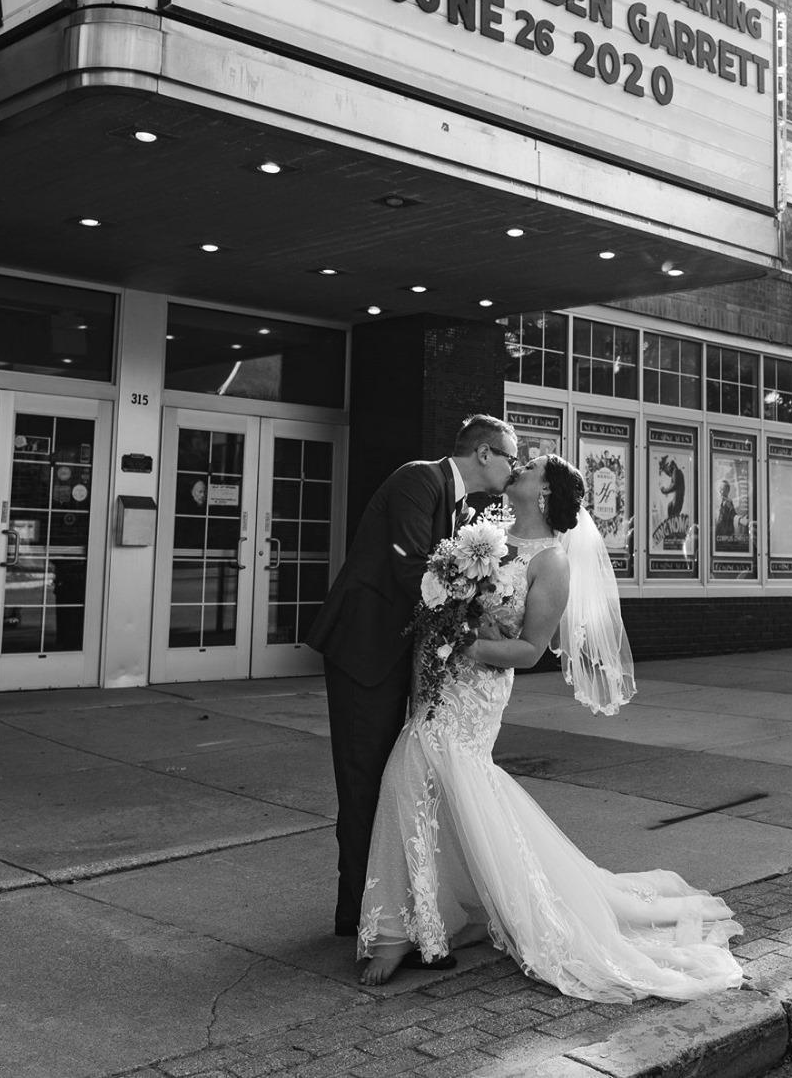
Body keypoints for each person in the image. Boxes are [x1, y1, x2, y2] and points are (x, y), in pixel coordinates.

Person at [355, 454, 743, 1000]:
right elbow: (447, 596)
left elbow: (530, 649)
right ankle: (442, 916)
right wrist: (441, 628)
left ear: (544, 493)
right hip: (440, 677)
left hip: (479, 685)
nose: (523, 466)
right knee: (441, 788)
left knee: (407, 777)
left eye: (533, 466)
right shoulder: (481, 532)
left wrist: (464, 641)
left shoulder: (553, 563)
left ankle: (398, 933)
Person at [306, 413, 521, 947]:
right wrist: (473, 618)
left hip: (399, 654)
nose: (514, 469)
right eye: (511, 457)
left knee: (390, 783)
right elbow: (413, 570)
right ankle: (357, 915)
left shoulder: (459, 505)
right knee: (363, 781)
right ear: (486, 454)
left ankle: (380, 911)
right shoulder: (418, 479)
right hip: (365, 651)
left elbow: (432, 576)